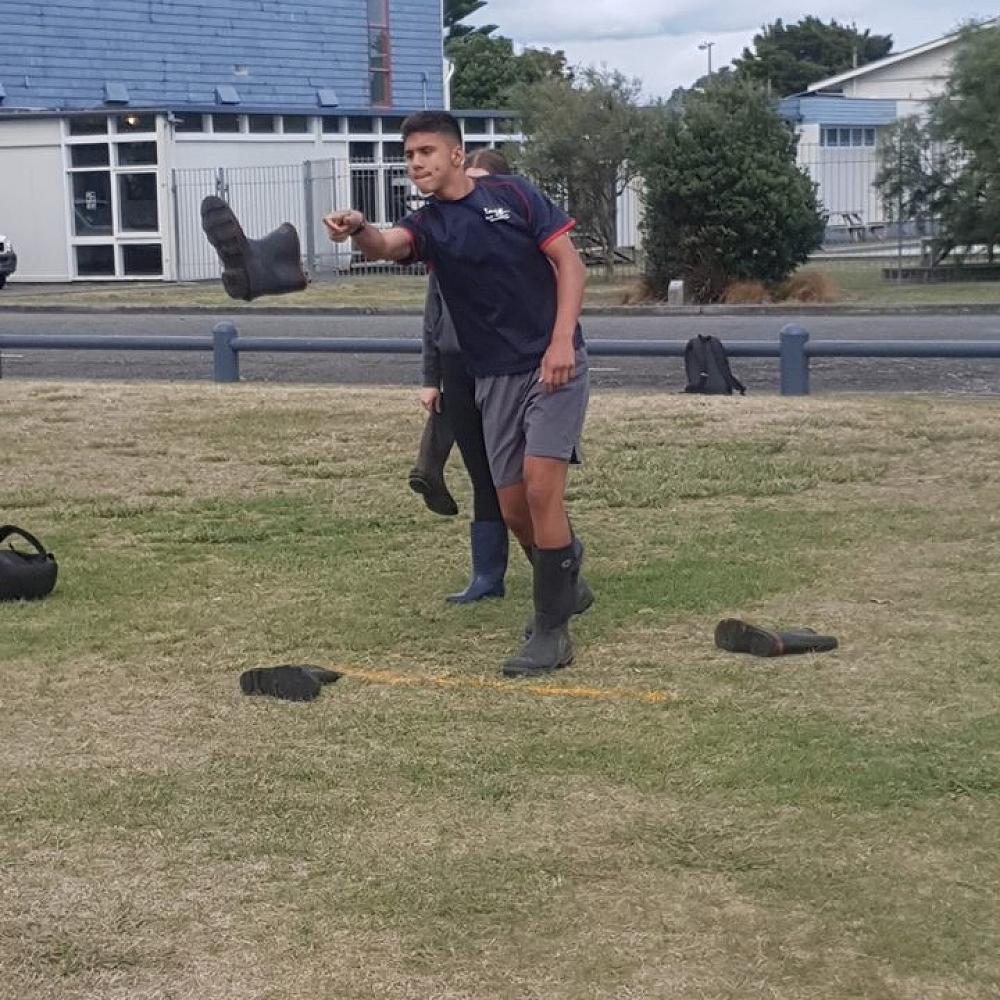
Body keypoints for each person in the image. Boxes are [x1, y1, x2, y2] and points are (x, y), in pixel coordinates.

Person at [324, 111, 591, 678]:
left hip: (552, 367)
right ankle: (567, 576)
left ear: (455, 155)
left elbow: (570, 263)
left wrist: (562, 341)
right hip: (490, 377)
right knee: (515, 507)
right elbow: (388, 244)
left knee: (542, 491)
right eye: (409, 155)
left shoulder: (513, 195)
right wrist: (358, 228)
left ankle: (551, 632)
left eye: (425, 152)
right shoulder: (429, 224)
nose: (416, 162)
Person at [410, 149, 516, 605]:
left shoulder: (515, 239)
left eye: (479, 183)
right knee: (481, 473)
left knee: (517, 475)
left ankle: (559, 565)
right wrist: (432, 376)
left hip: (506, 366)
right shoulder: (446, 241)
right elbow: (434, 312)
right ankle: (487, 576)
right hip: (459, 367)